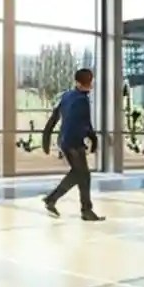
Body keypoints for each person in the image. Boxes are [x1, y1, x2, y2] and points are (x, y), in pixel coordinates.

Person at [41, 69, 104, 221]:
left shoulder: (67, 95)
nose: (90, 85)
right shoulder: (82, 100)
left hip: (65, 141)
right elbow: (86, 124)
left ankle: (59, 201)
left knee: (80, 174)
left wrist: (46, 137)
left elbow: (54, 117)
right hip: (73, 142)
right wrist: (94, 139)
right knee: (81, 175)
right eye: (88, 82)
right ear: (81, 83)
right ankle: (58, 201)